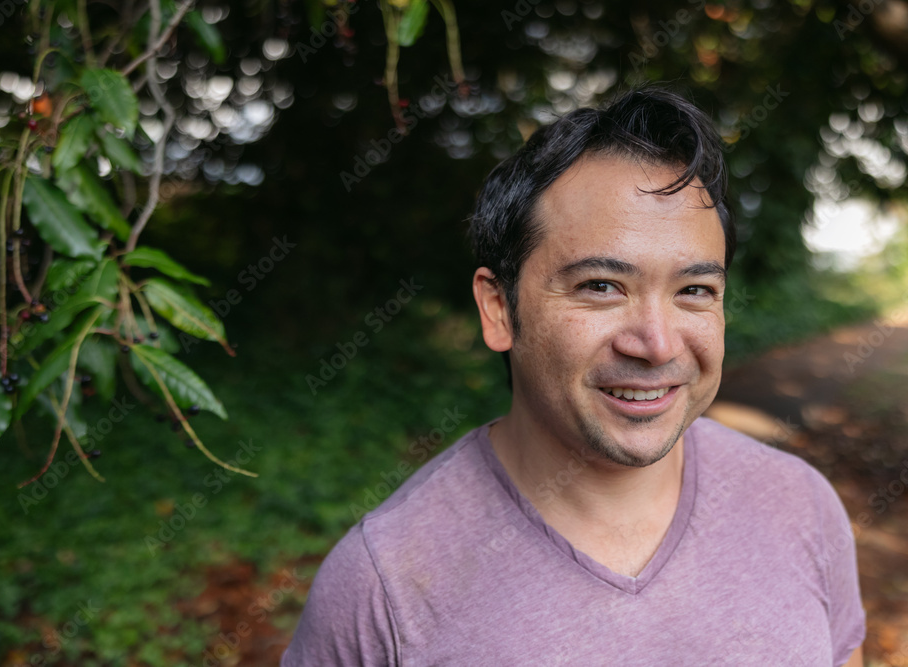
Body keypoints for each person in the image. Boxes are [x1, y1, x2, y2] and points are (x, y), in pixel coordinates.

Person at [282, 86, 866, 666]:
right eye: (601, 287)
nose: (657, 344)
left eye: (694, 291)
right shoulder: (383, 585)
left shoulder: (800, 505)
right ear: (499, 308)